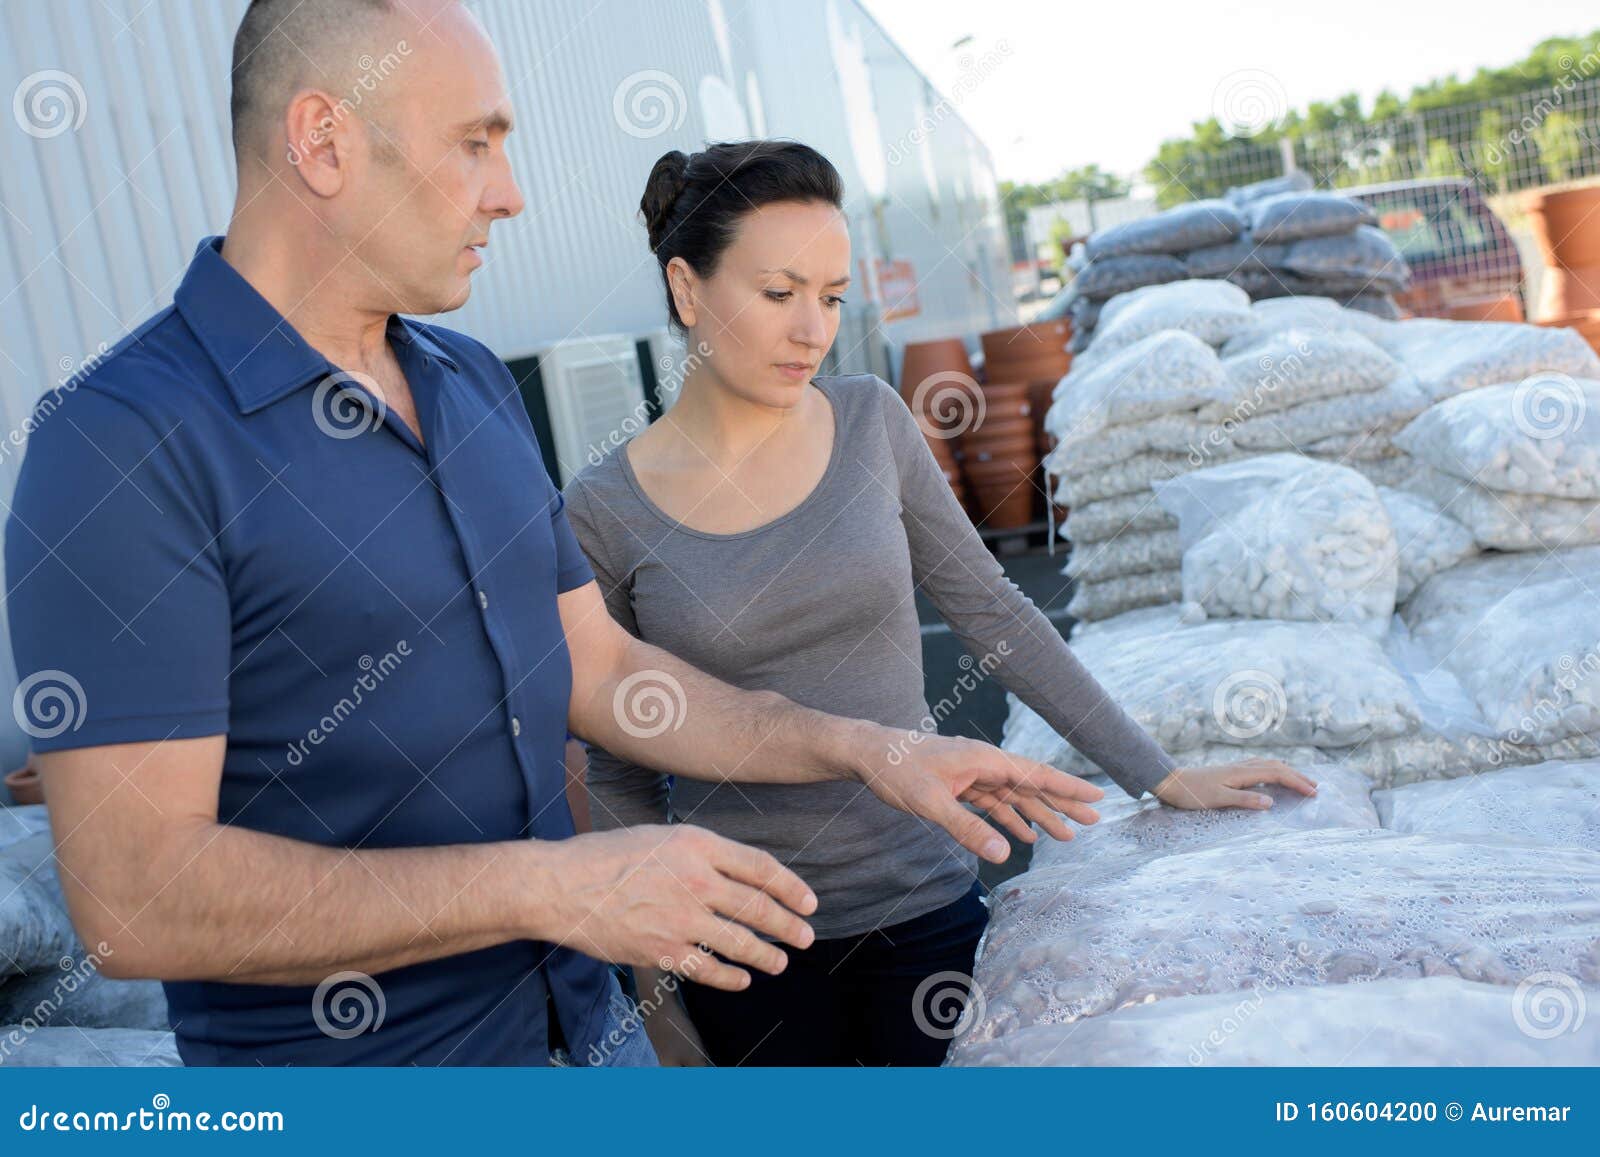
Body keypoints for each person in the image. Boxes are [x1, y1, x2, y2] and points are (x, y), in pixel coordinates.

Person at [2, 0, 1103, 1067]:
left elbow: (606, 670)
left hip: (588, 1042)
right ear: (323, 141)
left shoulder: (471, 386)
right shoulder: (120, 443)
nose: (511, 193)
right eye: (475, 143)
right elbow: (134, 894)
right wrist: (551, 884)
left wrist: (870, 748)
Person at [564, 141, 1319, 1066]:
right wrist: (659, 993)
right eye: (779, 293)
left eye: (832, 297)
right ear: (687, 290)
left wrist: (1159, 775)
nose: (814, 330)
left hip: (920, 904)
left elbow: (994, 612)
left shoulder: (872, 421)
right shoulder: (602, 508)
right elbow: (620, 763)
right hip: (737, 936)